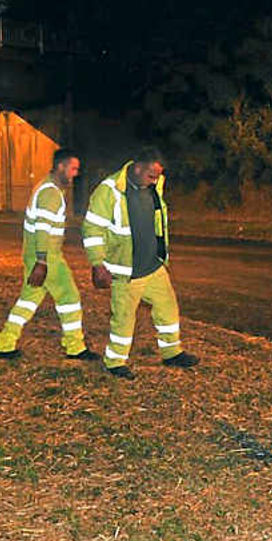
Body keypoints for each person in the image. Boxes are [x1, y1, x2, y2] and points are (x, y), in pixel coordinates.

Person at [82, 148, 198, 378]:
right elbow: (93, 227)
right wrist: (97, 264)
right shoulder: (109, 191)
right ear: (137, 168)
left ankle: (172, 352)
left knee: (168, 309)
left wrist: (162, 256)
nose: (155, 180)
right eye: (151, 175)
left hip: (153, 266)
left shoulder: (155, 185)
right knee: (123, 318)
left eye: (157, 176)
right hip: (127, 272)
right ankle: (115, 362)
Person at [0, 148, 98, 360]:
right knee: (69, 297)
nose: (75, 174)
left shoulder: (45, 187)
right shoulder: (50, 193)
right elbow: (43, 229)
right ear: (61, 166)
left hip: (36, 254)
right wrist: (42, 261)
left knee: (28, 299)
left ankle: (4, 344)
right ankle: (75, 347)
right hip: (46, 256)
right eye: (73, 168)